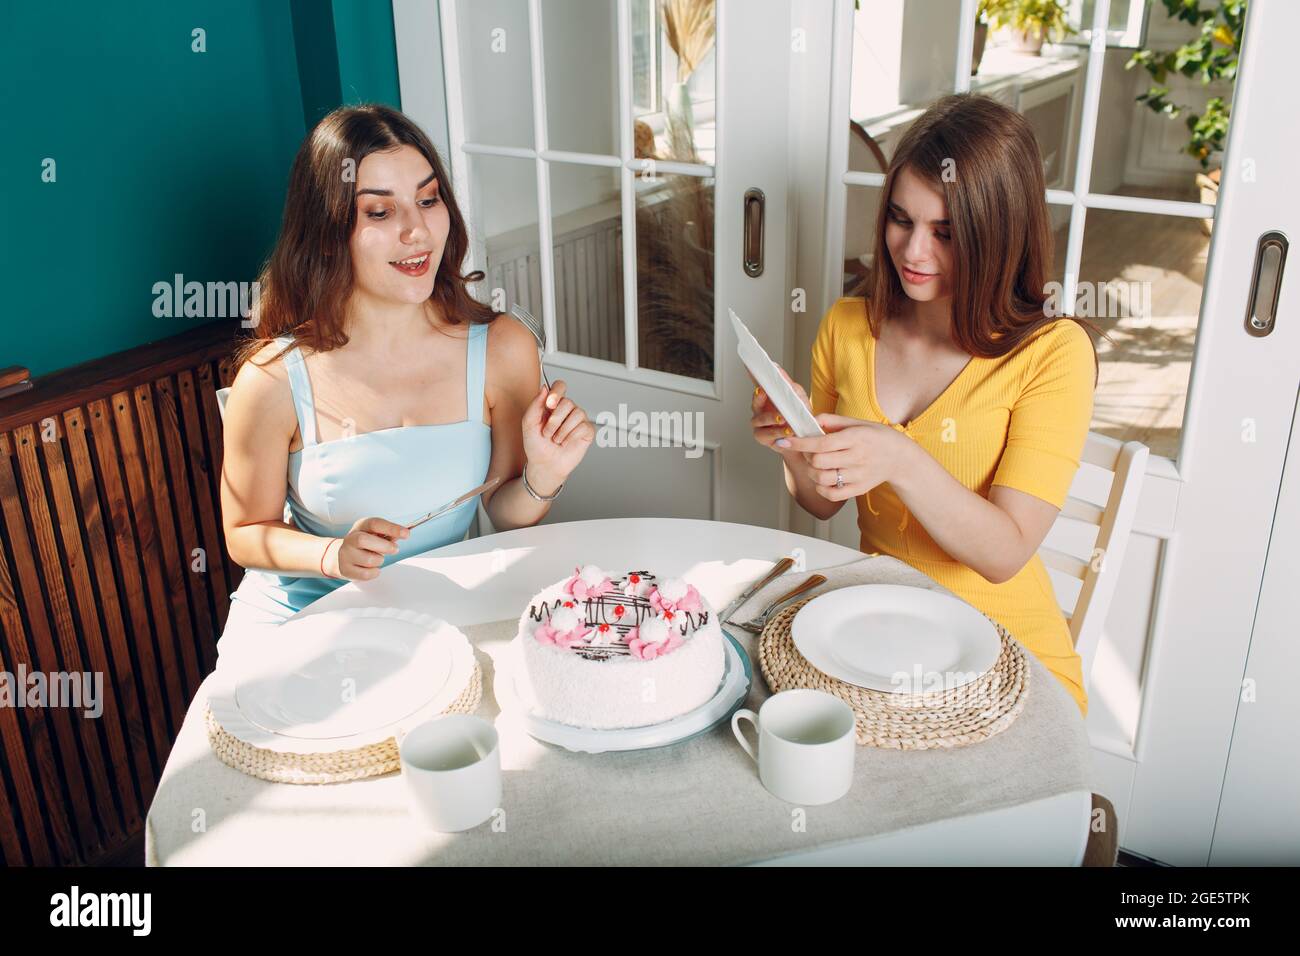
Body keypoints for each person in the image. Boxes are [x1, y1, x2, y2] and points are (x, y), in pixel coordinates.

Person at [752, 94, 1102, 717]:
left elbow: (1004, 553)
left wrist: (900, 459)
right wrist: (793, 441)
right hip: (877, 634)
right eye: (900, 219)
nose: (913, 252)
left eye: (945, 233)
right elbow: (822, 500)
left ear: (999, 235)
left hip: (1009, 660)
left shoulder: (1054, 353)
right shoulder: (849, 325)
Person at [219, 104, 594, 643]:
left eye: (427, 199)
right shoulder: (273, 378)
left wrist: (546, 473)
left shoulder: (502, 348)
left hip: (433, 614)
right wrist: (333, 554)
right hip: (303, 624)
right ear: (328, 231)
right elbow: (244, 533)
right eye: (379, 212)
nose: (417, 230)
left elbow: (507, 511)